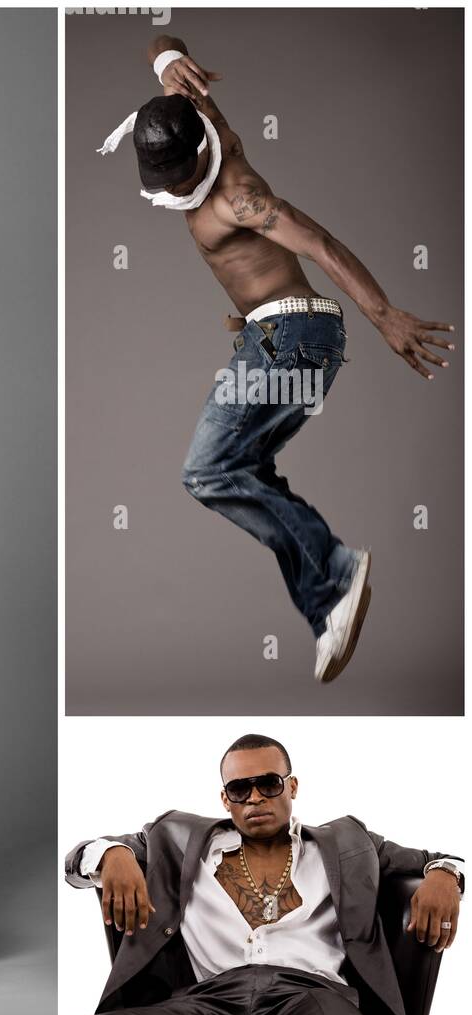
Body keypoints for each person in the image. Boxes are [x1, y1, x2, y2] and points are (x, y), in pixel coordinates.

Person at [100, 36, 456, 682]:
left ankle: (339, 571)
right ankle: (326, 604)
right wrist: (162, 56)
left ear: (202, 154)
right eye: (168, 185)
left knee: (206, 470)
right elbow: (162, 34)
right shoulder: (198, 113)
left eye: (183, 181)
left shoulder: (236, 192)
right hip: (276, 335)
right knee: (243, 470)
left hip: (296, 337)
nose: (178, 193)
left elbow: (318, 243)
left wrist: (385, 316)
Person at [64, 734, 463, 1015]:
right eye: (240, 789)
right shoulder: (177, 837)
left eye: (268, 783)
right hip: (205, 1003)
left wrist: (446, 875)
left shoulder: (348, 841)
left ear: (292, 786)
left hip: (312, 997)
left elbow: (436, 860)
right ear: (225, 799)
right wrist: (113, 854)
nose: (254, 797)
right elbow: (75, 863)